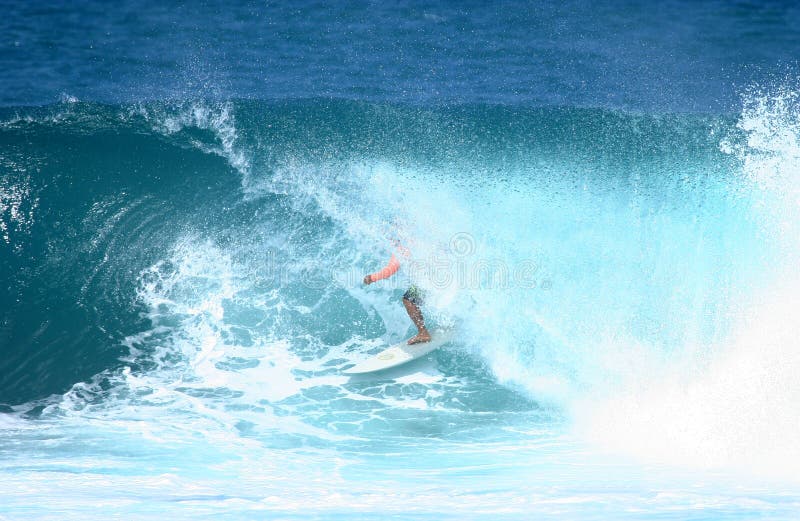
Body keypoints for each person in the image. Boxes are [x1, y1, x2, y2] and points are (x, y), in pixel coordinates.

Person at [363, 243, 431, 345]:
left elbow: (390, 270)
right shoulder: (419, 238)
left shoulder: (402, 248)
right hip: (439, 278)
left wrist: (372, 278)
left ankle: (423, 333)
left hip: (427, 282)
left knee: (408, 300)